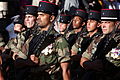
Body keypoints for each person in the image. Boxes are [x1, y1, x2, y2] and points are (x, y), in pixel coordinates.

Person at [14, 1, 71, 80]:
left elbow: (66, 70)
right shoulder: (33, 37)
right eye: (38, 15)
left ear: (51, 18)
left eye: (42, 15)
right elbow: (18, 62)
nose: (38, 17)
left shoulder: (59, 40)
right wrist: (29, 62)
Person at [80, 9, 120, 80]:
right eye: (102, 22)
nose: (103, 26)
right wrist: (89, 64)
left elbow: (105, 65)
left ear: (117, 24)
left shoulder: (118, 41)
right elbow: (84, 58)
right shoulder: (99, 39)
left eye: (107, 22)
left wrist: (88, 64)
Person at [70, 10, 102, 80]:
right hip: (77, 67)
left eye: (92, 21)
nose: (89, 24)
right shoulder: (83, 36)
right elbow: (73, 52)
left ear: (99, 24)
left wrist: (80, 58)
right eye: (88, 21)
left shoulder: (100, 39)